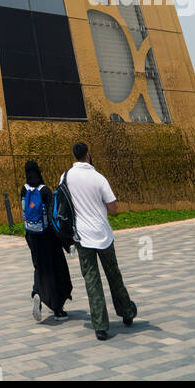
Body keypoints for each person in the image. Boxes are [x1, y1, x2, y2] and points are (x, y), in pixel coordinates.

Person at [62, 141, 138, 341]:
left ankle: (100, 326)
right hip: (103, 235)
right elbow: (113, 208)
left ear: (74, 155)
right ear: (88, 155)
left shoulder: (66, 177)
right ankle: (126, 312)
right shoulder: (99, 178)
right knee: (114, 274)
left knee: (92, 280)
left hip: (82, 236)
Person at [20, 159, 72, 323]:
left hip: (32, 236)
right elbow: (53, 218)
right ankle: (57, 309)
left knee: (39, 267)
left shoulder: (24, 189)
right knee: (56, 270)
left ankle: (37, 292)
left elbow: (23, 211)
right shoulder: (45, 191)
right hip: (48, 238)